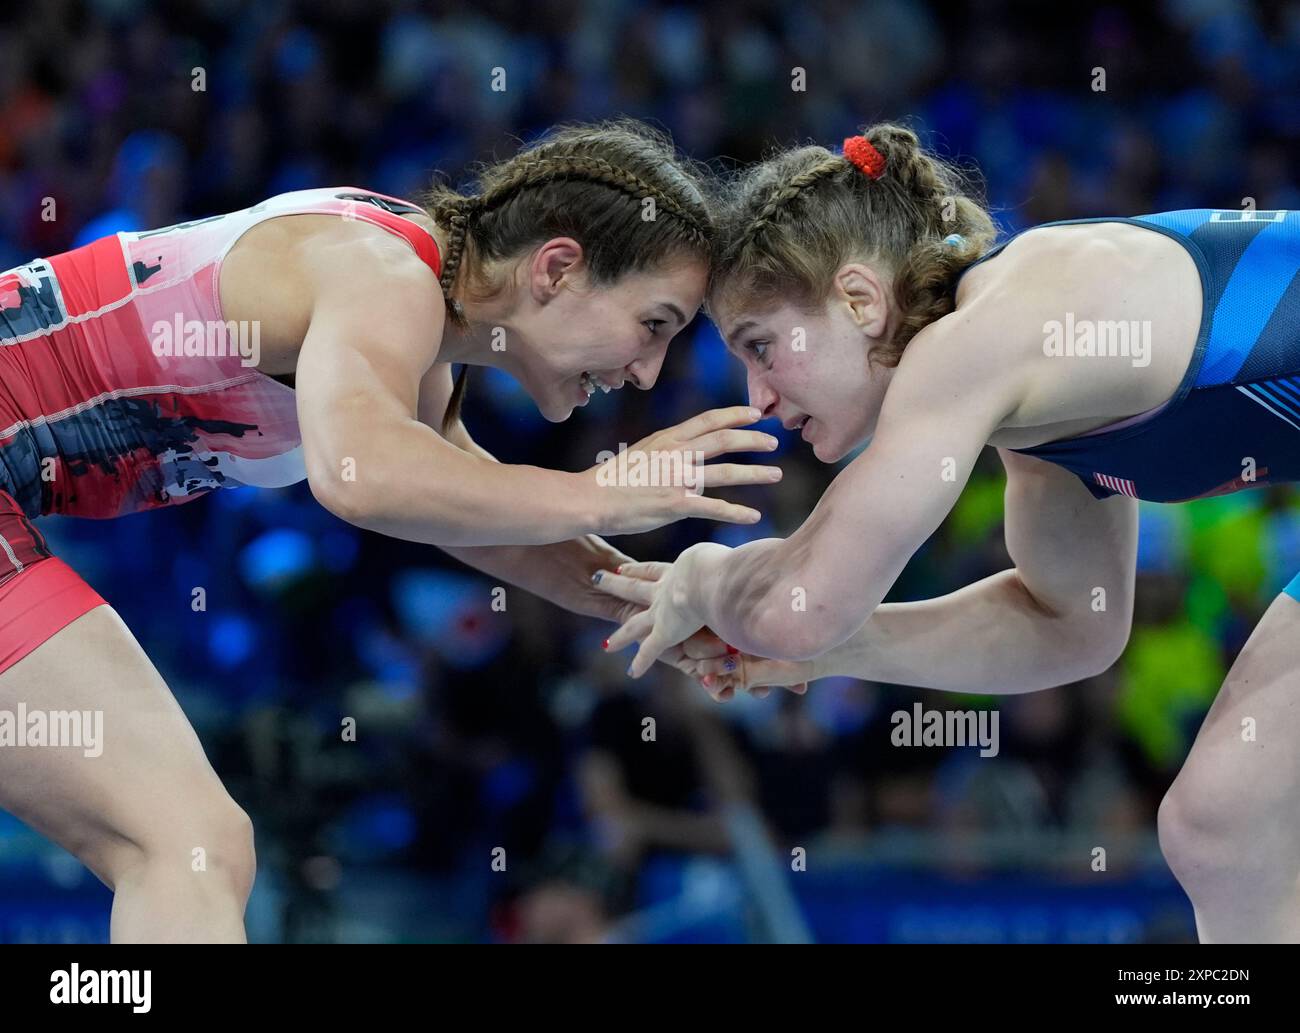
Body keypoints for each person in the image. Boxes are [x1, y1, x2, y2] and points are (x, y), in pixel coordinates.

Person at [0, 120, 780, 942]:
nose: (647, 373)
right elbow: (360, 476)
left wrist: (672, 606)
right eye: (653, 325)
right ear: (556, 268)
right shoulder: (382, 274)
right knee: (187, 844)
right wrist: (599, 493)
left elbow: (473, 518)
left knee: (186, 843)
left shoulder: (413, 316)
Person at [594, 122, 1300, 943]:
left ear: (859, 300)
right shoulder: (1032, 400)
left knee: (1227, 824)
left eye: (761, 346)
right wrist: (832, 655)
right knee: (1225, 829)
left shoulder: (980, 340)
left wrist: (701, 578)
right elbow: (1072, 627)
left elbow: (799, 603)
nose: (757, 396)